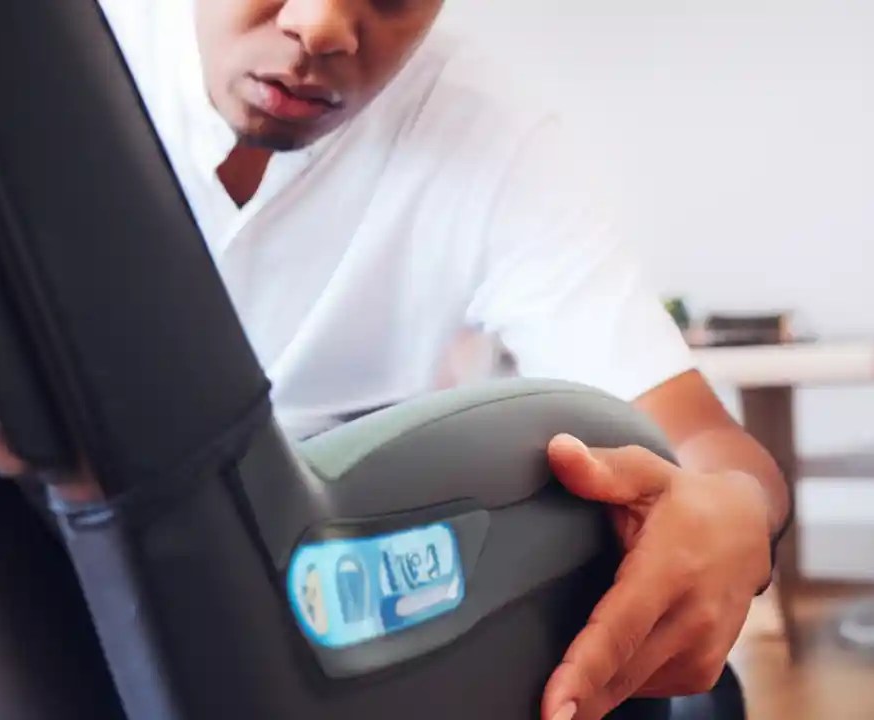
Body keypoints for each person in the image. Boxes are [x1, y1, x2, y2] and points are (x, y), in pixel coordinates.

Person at [99, 1, 791, 719]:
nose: (323, 25)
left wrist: (731, 514)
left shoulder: (483, 132)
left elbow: (699, 439)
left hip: (346, 594)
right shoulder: (41, 54)